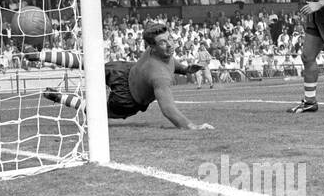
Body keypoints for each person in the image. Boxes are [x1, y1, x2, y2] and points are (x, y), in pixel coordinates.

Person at [36, 22, 214, 130]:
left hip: (125, 78)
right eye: (163, 42)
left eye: (170, 39)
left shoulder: (161, 54)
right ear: (152, 47)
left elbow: (172, 63)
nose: (170, 45)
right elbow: (168, 110)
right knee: (94, 102)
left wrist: (185, 69)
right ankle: (46, 69)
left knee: (90, 71)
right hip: (126, 94)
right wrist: (192, 126)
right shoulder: (159, 76)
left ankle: (45, 67)